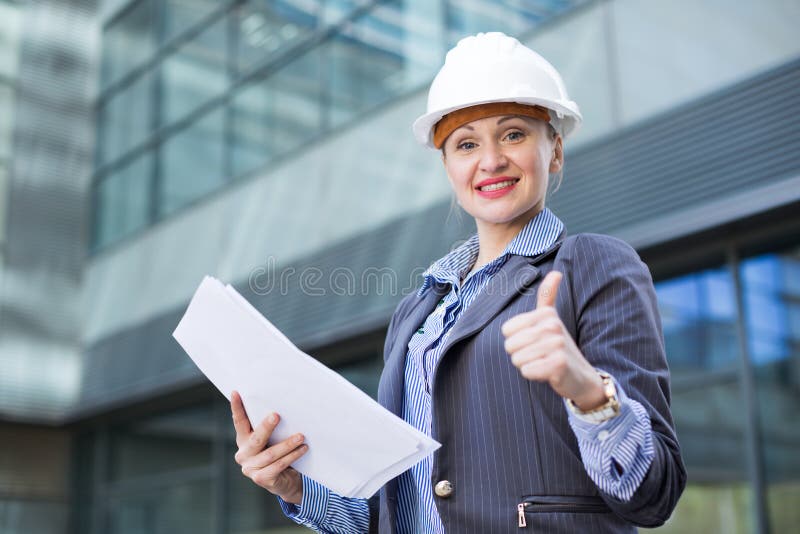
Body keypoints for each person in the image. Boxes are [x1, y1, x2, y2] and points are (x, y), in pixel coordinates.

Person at [229, 32, 686, 533]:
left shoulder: (592, 265)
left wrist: (589, 393)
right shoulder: (420, 309)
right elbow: (396, 510)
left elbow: (652, 494)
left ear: (554, 150)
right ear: (448, 166)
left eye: (513, 134)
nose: (490, 161)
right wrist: (294, 486)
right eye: (466, 144)